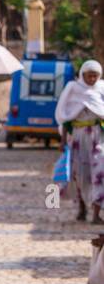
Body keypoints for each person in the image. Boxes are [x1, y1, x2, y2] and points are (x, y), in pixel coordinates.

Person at [54, 59, 104, 223]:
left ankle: (97, 213)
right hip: (78, 138)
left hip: (98, 138)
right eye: (89, 76)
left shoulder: (101, 89)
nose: (92, 80)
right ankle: (82, 208)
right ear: (82, 75)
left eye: (95, 76)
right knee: (79, 174)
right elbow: (65, 116)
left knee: (99, 174)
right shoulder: (73, 89)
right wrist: (62, 141)